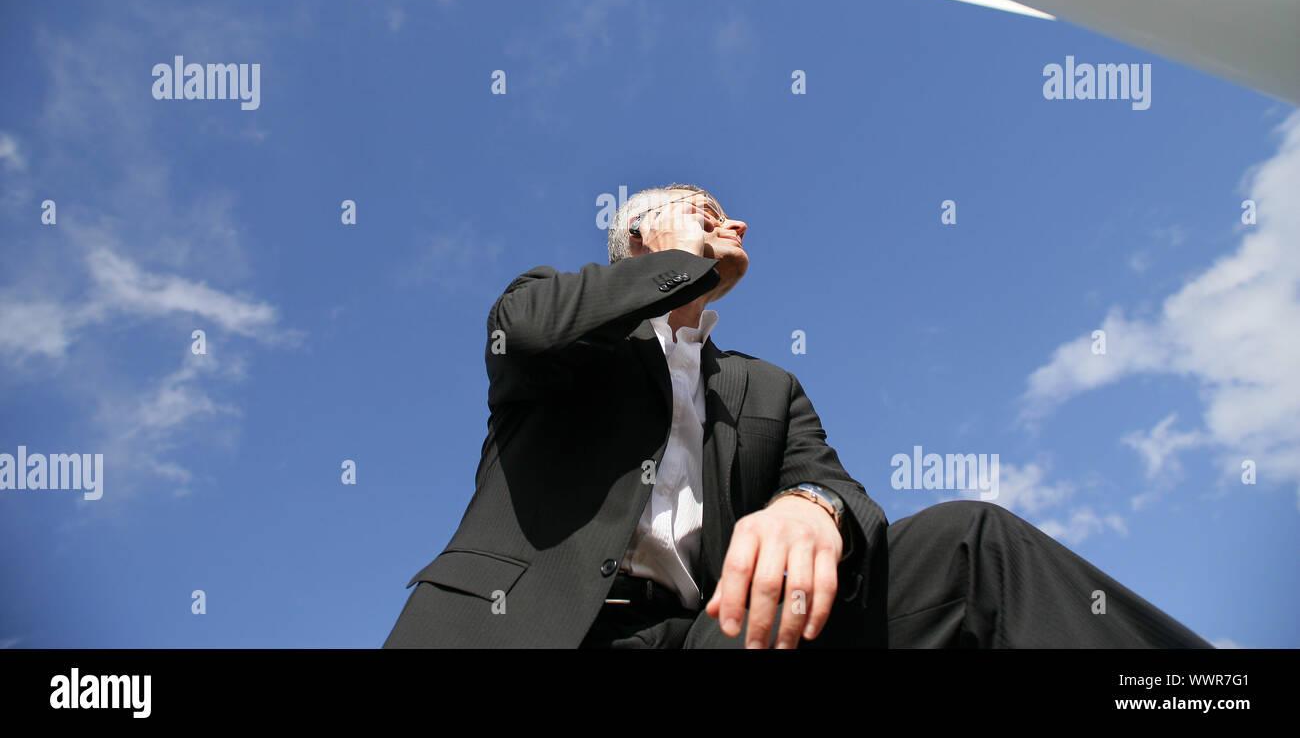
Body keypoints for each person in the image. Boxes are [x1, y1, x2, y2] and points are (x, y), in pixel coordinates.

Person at [383, 184, 1211, 649]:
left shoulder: (766, 389)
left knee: (972, 544)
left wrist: (810, 510)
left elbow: (836, 486)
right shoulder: (560, 324)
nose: (733, 224)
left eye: (725, 218)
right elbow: (524, 330)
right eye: (704, 211)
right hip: (521, 633)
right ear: (638, 236)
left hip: (713, 634)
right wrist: (682, 263)